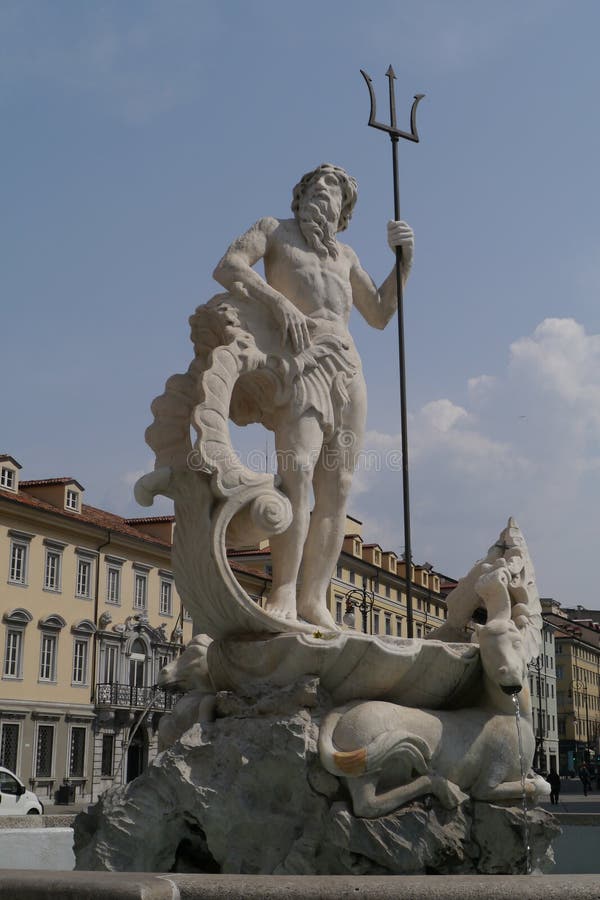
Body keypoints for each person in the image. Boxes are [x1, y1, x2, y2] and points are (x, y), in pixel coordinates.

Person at [213, 163, 414, 629]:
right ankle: (283, 590)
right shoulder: (274, 232)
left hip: (347, 367)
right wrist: (277, 300)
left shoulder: (346, 256)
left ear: (344, 209)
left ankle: (314, 599)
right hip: (300, 363)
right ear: (300, 195)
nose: (324, 190)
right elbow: (228, 266)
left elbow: (380, 314)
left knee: (337, 489)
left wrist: (403, 263)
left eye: (336, 187)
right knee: (297, 476)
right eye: (317, 183)